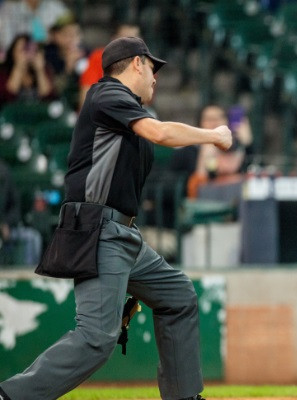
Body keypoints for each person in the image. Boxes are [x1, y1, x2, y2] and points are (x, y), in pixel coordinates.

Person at [0, 36, 232, 400]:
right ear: (137, 63)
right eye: (153, 68)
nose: (156, 77)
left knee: (178, 296)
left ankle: (183, 396)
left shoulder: (126, 109)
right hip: (99, 230)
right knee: (96, 339)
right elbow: (160, 132)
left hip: (124, 236)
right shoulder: (107, 94)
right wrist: (214, 135)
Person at [172, 104, 254, 198]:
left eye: (219, 118)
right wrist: (204, 157)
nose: (214, 123)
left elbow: (252, 175)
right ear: (199, 124)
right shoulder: (187, 151)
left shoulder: (235, 148)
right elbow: (181, 189)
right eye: (209, 119)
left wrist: (247, 144)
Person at [78, 22, 140, 107]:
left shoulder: (144, 63)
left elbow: (144, 99)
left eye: (134, 39)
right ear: (114, 39)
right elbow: (86, 93)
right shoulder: (99, 57)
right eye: (124, 39)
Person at [0, 159, 43, 265]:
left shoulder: (4, 171)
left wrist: (6, 223)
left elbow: (15, 207)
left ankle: (29, 273)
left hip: (7, 229)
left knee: (34, 238)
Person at [0, 33, 56, 106]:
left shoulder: (45, 69)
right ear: (12, 52)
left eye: (30, 50)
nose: (27, 54)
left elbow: (48, 97)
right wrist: (19, 68)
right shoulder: (3, 71)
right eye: (23, 50)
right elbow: (7, 97)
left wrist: (40, 71)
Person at [43, 13, 88, 103]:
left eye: (76, 34)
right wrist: (68, 68)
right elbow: (53, 92)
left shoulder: (87, 54)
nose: (73, 38)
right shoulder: (48, 56)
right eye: (68, 34)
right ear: (56, 36)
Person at [0, 0, 68, 55]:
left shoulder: (56, 8)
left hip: (53, 58)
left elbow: (69, 34)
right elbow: (5, 42)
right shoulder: (9, 9)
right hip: (17, 60)